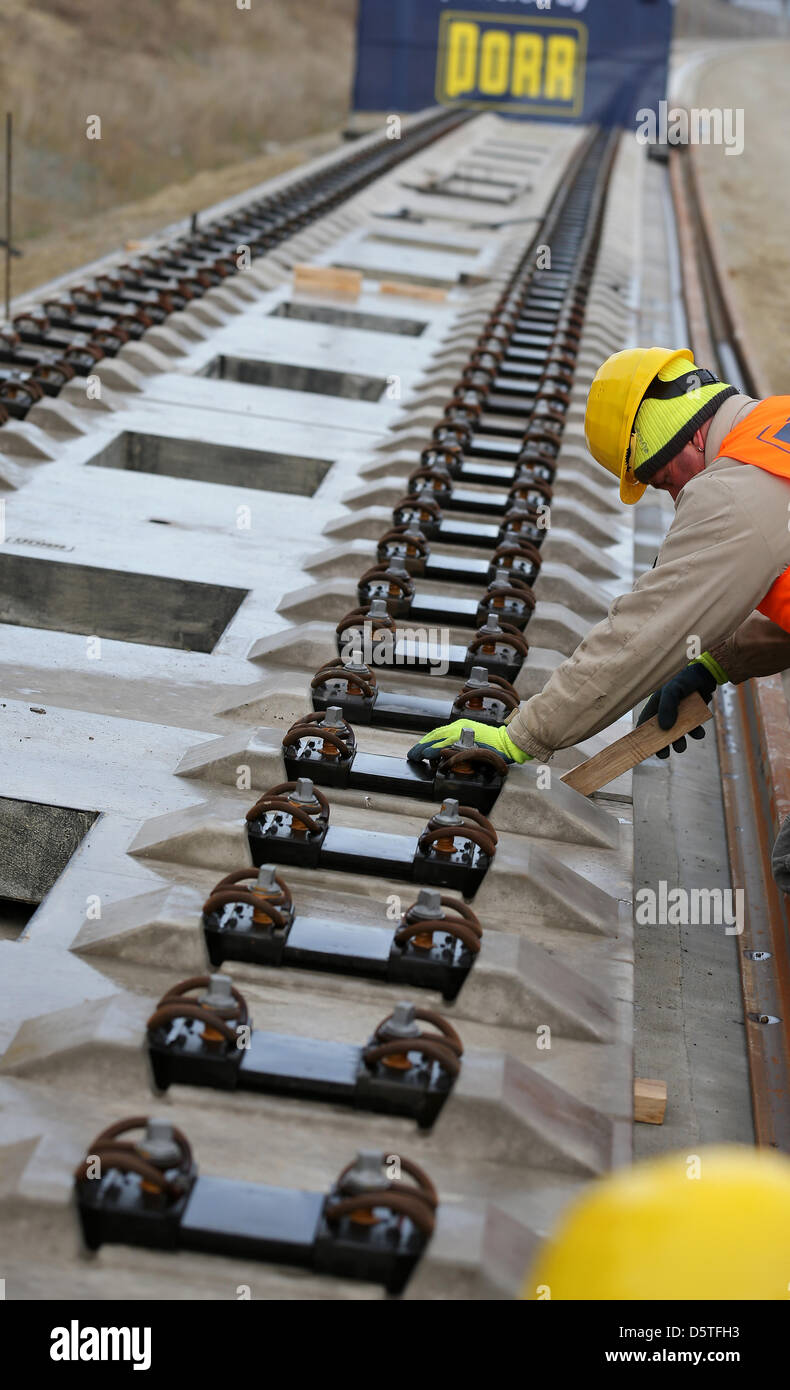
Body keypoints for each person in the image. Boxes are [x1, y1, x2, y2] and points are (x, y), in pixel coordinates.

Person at [407, 348, 790, 780]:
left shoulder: (736, 491)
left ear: (688, 435)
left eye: (664, 479)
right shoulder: (776, 423)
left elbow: (646, 631)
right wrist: (715, 661)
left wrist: (522, 735)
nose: (676, 497)